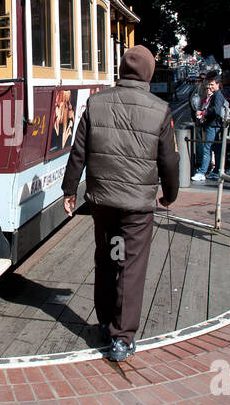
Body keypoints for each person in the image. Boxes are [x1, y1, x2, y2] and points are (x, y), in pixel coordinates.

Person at [60, 45, 179, 362]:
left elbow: (79, 152)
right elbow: (169, 161)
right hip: (137, 208)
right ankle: (121, 338)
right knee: (131, 266)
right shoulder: (159, 109)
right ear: (149, 74)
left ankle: (103, 322)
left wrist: (69, 190)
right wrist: (170, 194)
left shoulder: (96, 103)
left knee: (110, 256)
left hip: (104, 204)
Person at [191, 74, 227, 182]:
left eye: (212, 85)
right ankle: (216, 171)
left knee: (207, 149)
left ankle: (202, 172)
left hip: (213, 125)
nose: (210, 87)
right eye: (208, 85)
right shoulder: (217, 95)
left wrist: (204, 114)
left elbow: (216, 110)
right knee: (215, 148)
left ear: (218, 84)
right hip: (214, 124)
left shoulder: (217, 95)